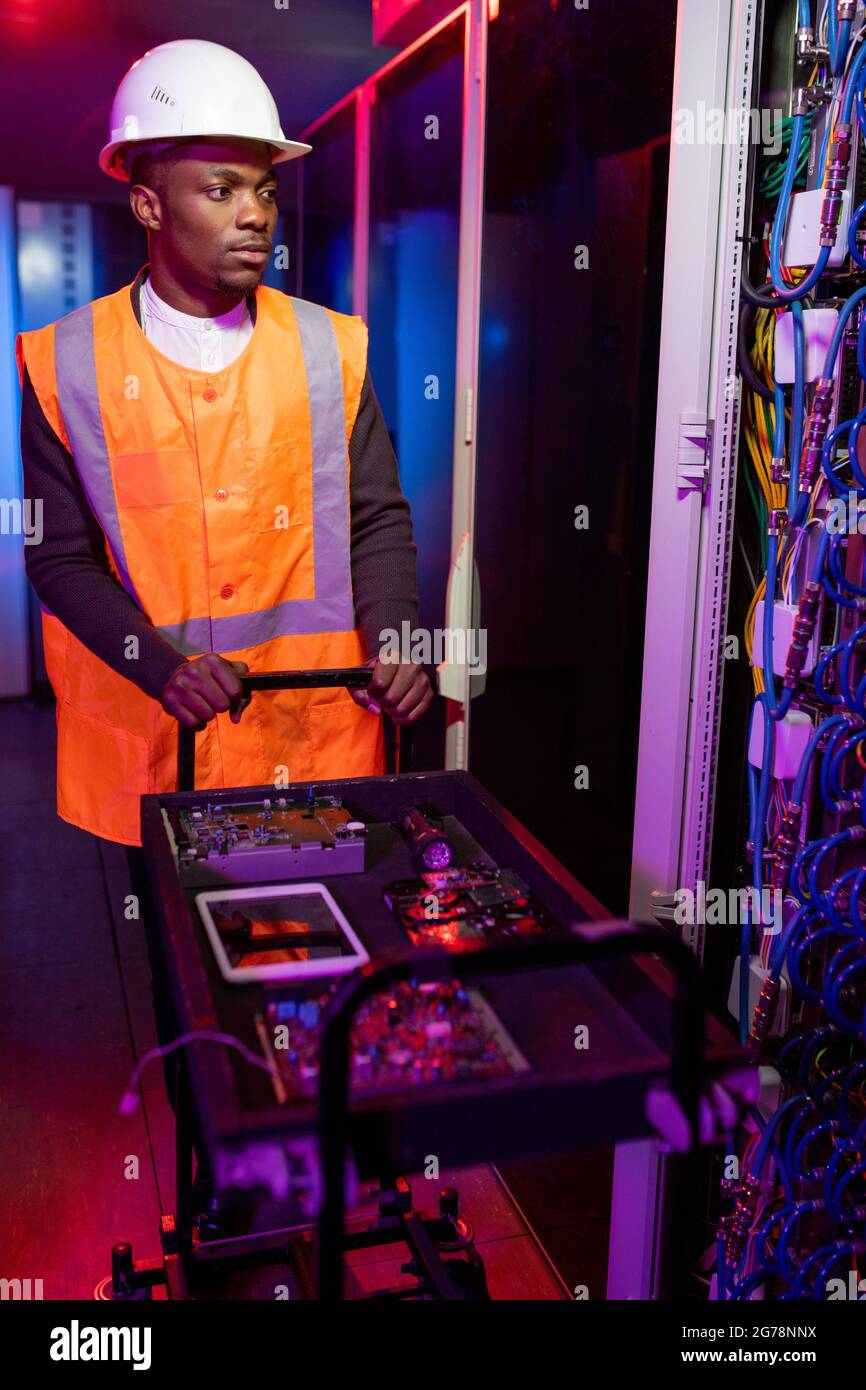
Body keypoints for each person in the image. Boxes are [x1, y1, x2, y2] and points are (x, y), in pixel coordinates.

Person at [17, 39, 433, 1222]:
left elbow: (375, 516)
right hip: (166, 751)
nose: (254, 215)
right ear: (146, 200)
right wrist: (158, 663)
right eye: (219, 188)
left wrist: (398, 637)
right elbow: (54, 557)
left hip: (315, 737)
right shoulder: (65, 366)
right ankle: (232, 1197)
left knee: (322, 982)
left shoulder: (328, 345)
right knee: (198, 997)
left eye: (262, 187)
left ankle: (321, 1183)